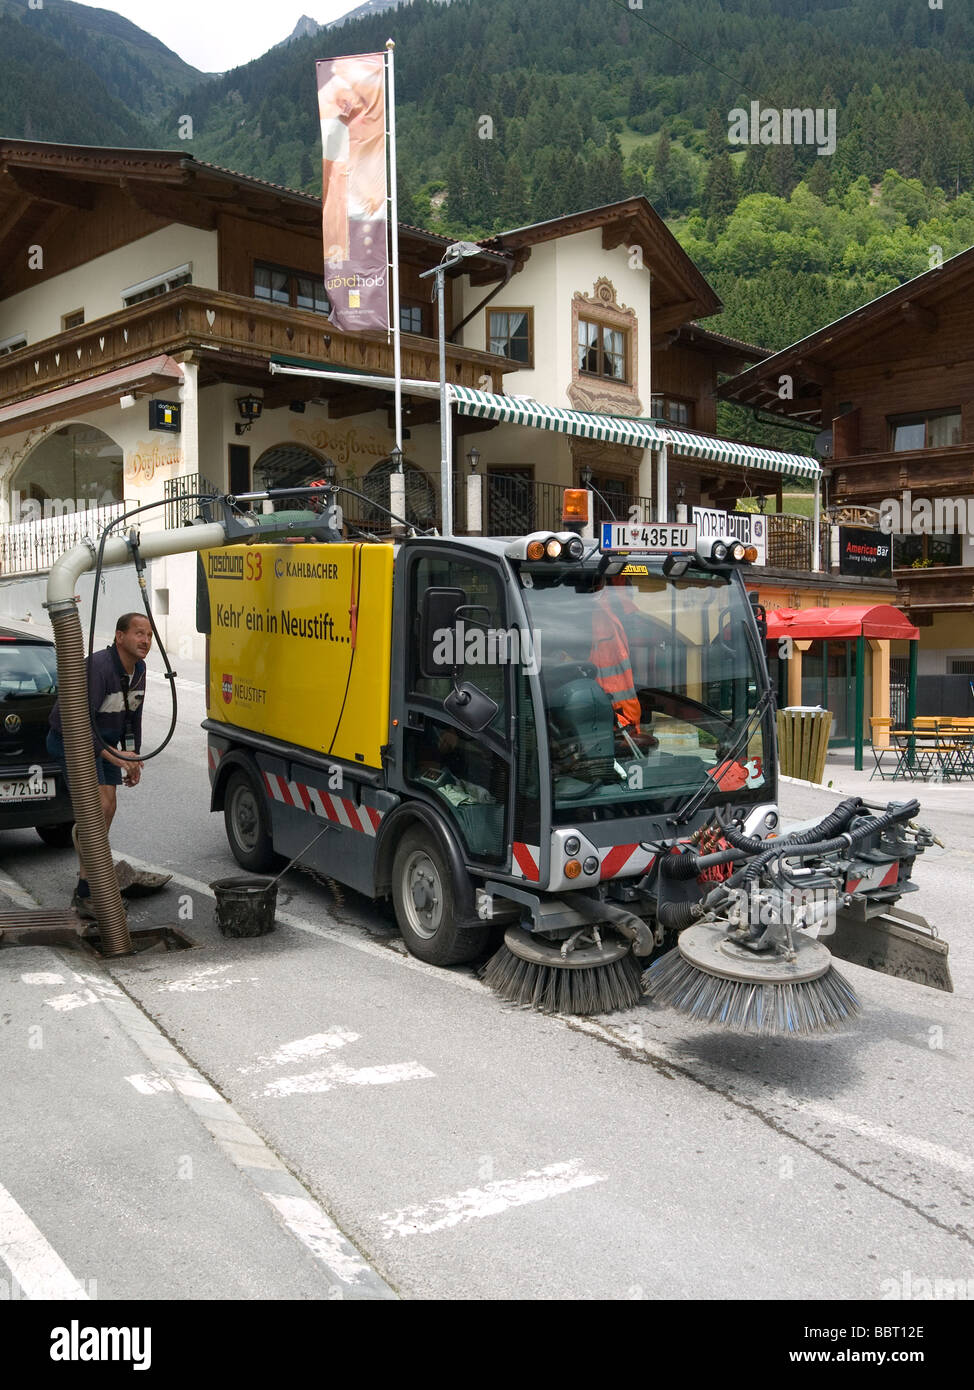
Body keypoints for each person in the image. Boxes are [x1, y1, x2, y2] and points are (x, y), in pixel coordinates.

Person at [47, 613, 152, 919]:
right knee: (97, 808)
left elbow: (133, 716)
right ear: (120, 637)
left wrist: (132, 756)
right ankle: (89, 887)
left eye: (148, 635)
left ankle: (87, 882)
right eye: (138, 633)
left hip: (103, 745)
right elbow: (78, 723)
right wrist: (114, 756)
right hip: (72, 743)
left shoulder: (139, 669)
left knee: (107, 808)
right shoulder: (99, 667)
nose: (145, 641)